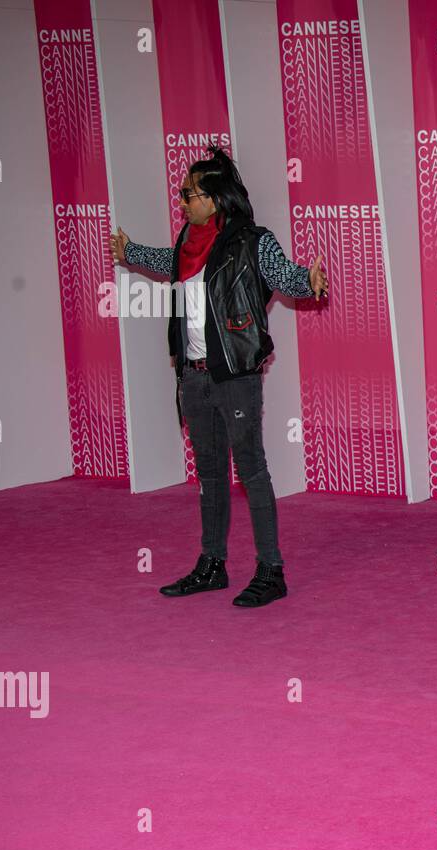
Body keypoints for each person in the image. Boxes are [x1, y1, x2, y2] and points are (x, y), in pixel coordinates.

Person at [109, 145, 328, 607]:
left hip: (235, 374)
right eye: (182, 194)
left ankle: (271, 570)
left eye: (189, 194)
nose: (182, 201)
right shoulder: (185, 244)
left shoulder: (252, 240)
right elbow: (164, 261)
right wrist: (129, 252)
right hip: (193, 376)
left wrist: (306, 283)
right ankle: (212, 564)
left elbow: (282, 275)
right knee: (210, 475)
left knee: (251, 470)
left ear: (215, 198)